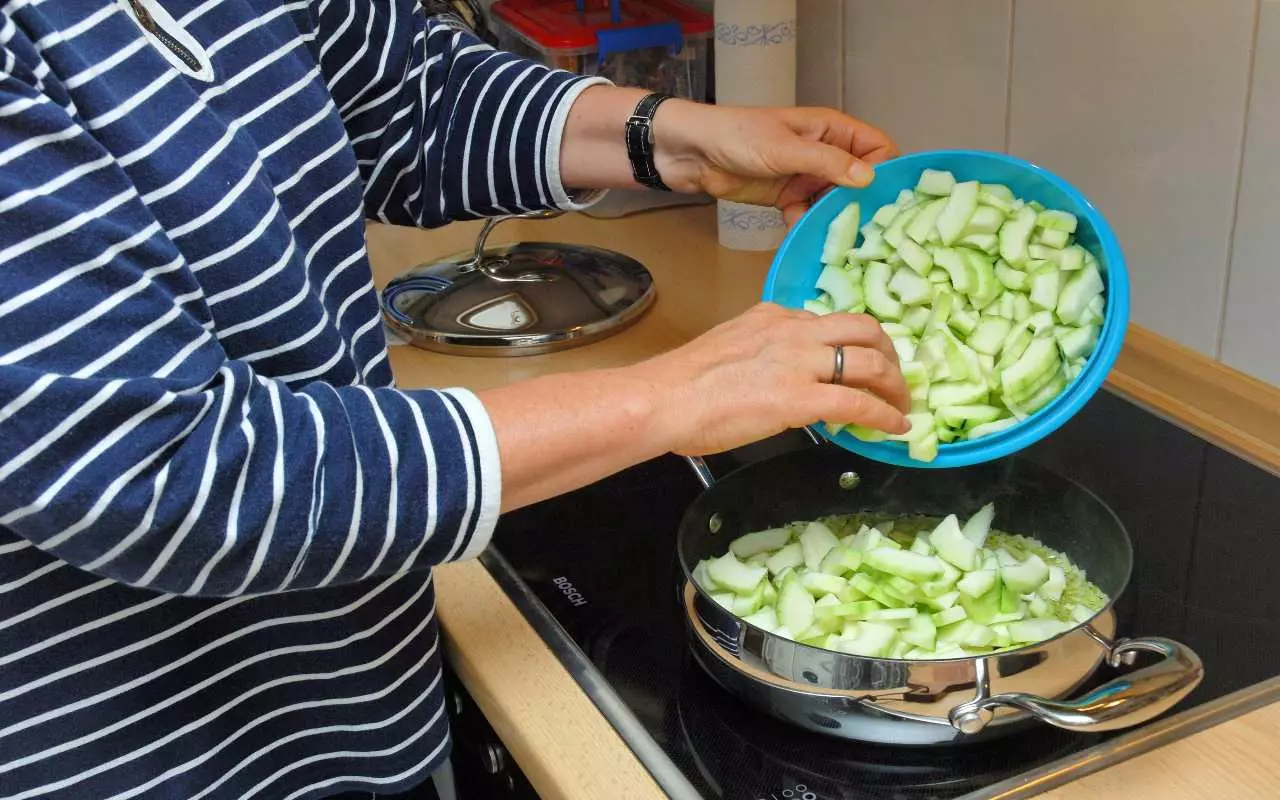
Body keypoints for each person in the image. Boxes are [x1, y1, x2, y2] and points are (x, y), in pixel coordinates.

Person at [0, 0, 910, 798]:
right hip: (136, 748)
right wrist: (675, 396)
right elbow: (161, 474)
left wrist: (665, 135)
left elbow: (406, 97)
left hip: (339, 686)